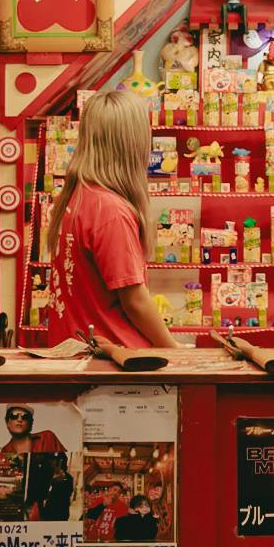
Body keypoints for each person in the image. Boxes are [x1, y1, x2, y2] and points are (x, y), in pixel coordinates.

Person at [44, 88, 180, 350]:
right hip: (114, 357)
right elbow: (135, 300)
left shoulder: (75, 197)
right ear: (132, 144)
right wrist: (173, 350)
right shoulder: (110, 210)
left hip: (78, 350)